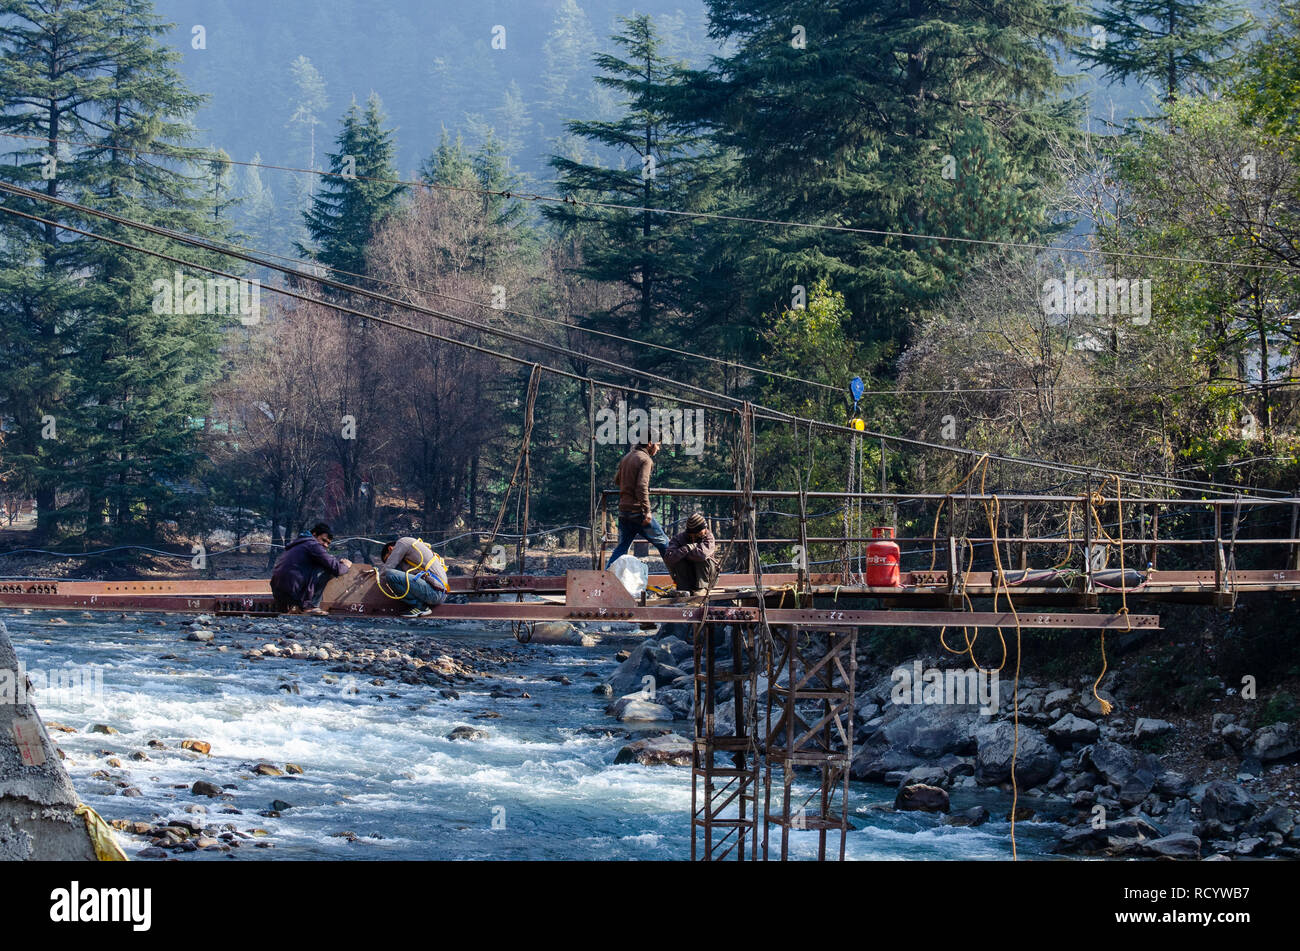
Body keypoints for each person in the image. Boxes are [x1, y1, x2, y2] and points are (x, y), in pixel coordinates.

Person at [605, 441, 671, 568]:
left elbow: (617, 480)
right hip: (637, 512)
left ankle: (605, 579)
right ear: (650, 443)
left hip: (624, 510)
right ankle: (680, 578)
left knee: (622, 548)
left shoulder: (627, 457)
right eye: (658, 445)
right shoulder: (645, 459)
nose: (658, 448)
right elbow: (641, 486)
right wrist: (647, 511)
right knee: (665, 544)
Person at [270, 522, 352, 615]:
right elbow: (336, 568)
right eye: (323, 540)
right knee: (328, 570)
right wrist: (346, 565)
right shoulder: (313, 545)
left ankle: (294, 606)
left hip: (278, 592)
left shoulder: (299, 543)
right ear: (314, 535)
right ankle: (309, 606)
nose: (325, 545)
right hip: (292, 591)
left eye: (328, 543)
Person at [376, 536, 450, 617]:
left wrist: (376, 582)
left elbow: (387, 570)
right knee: (393, 573)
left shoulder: (402, 542)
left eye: (388, 559)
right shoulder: (411, 552)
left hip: (435, 592)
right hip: (437, 592)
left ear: (390, 549)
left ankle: (420, 607)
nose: (389, 561)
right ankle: (420, 606)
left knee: (390, 574)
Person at [664, 512, 719, 596]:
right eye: (702, 529)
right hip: (687, 578)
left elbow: (701, 555)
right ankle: (684, 589)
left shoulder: (708, 536)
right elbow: (668, 558)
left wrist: (683, 555)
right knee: (679, 560)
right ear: (693, 532)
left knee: (704, 559)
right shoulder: (678, 539)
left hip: (707, 579)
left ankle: (702, 588)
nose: (706, 530)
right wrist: (686, 548)